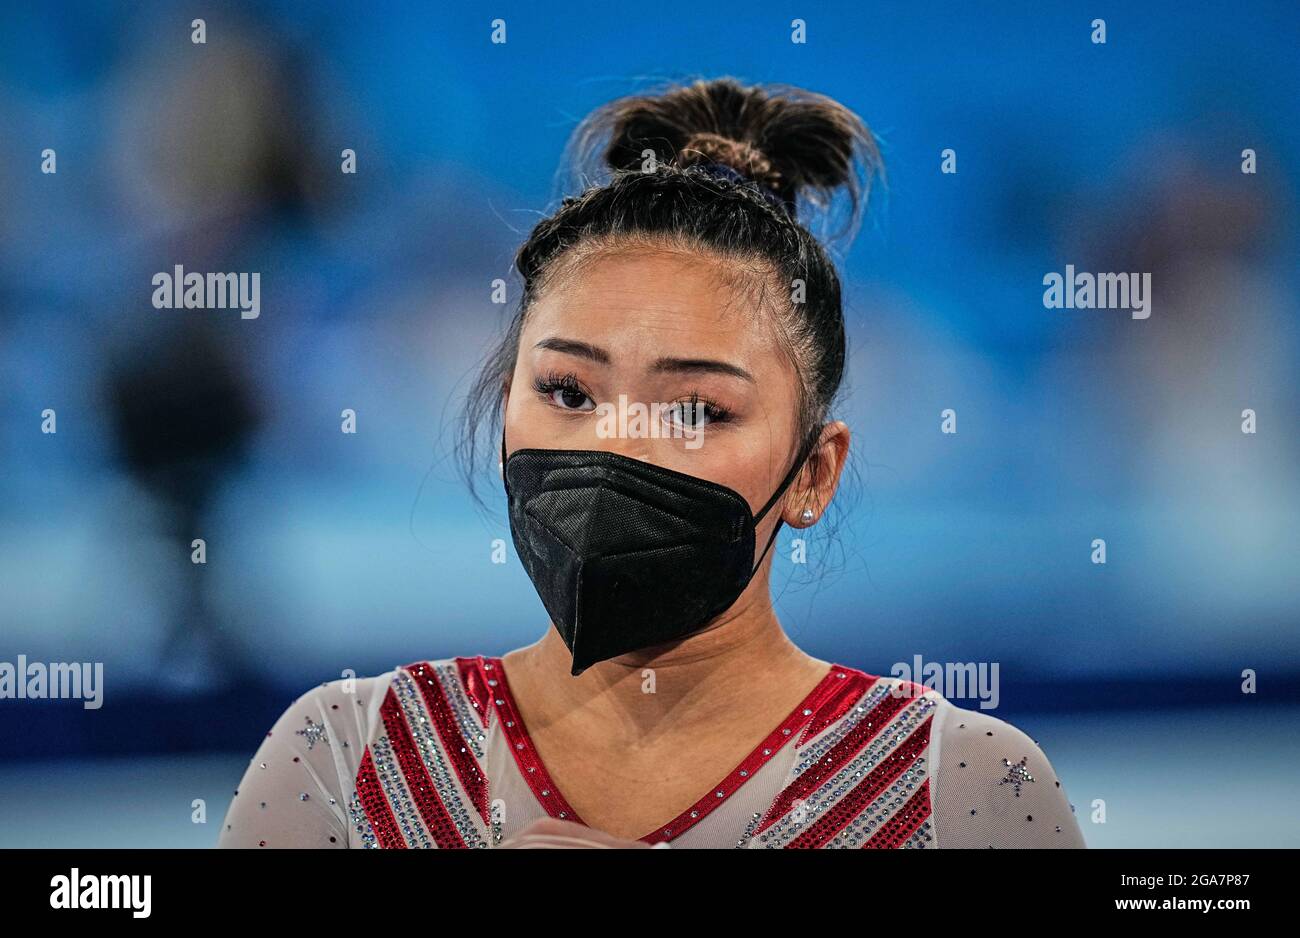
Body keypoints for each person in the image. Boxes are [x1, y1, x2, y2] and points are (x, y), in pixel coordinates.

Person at [218, 77, 1086, 849]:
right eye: (567, 391)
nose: (615, 441)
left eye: (696, 410)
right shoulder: (344, 756)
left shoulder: (960, 786)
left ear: (815, 473)